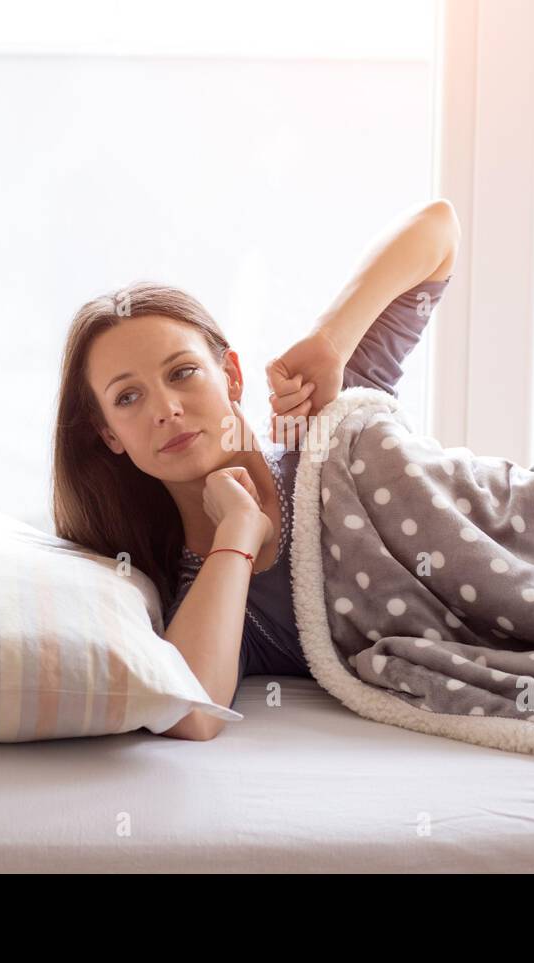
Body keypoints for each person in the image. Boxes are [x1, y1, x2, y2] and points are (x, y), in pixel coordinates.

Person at [50, 199, 460, 739]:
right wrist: (237, 533)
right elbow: (192, 711)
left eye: (183, 372)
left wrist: (331, 341)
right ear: (109, 436)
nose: (165, 409)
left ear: (233, 377)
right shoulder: (213, 592)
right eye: (128, 397)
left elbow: (438, 229)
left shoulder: (321, 427)